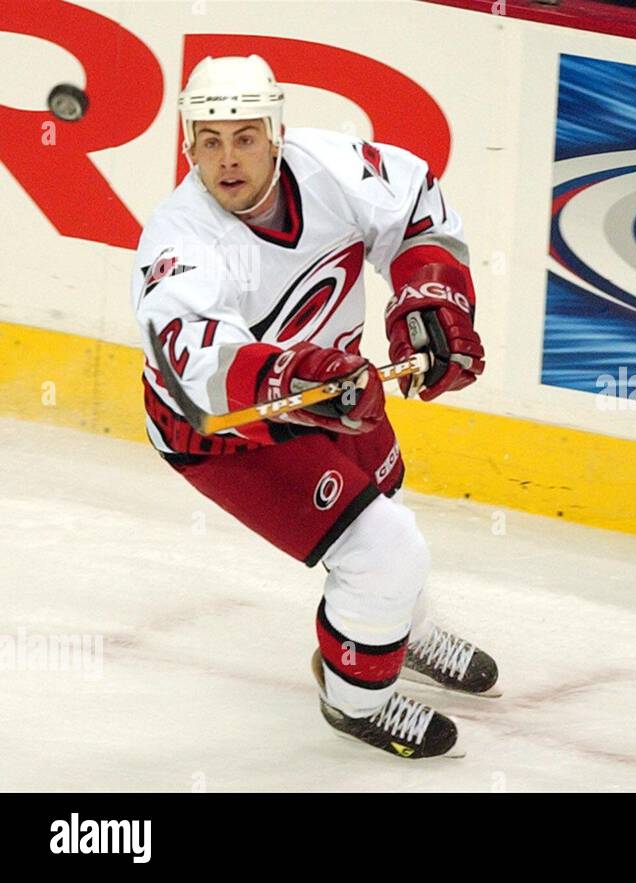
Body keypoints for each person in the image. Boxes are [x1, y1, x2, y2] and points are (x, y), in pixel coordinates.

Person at [130, 55, 497, 760]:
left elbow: (419, 206)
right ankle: (353, 695)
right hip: (224, 428)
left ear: (276, 132)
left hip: (334, 390)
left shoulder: (331, 168)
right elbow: (193, 366)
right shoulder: (181, 239)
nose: (228, 159)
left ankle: (399, 627)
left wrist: (431, 296)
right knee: (384, 547)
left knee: (386, 498)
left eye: (244, 136)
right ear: (188, 146)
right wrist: (300, 377)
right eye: (209, 140)